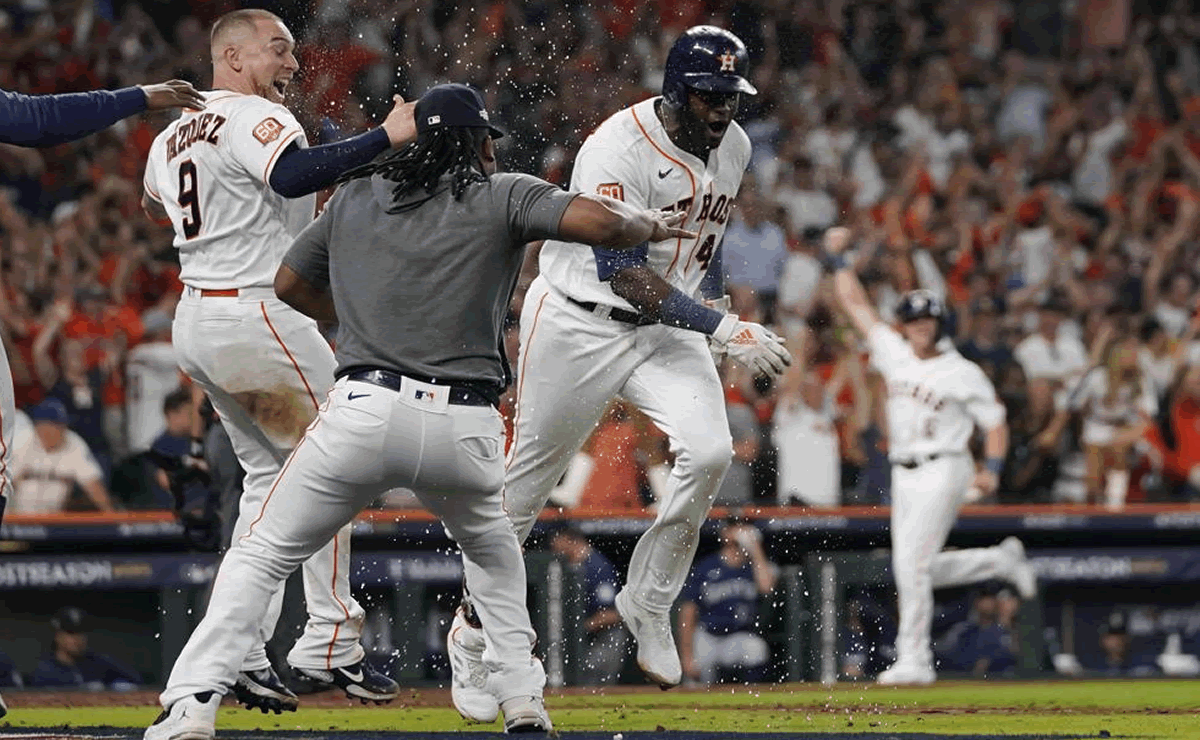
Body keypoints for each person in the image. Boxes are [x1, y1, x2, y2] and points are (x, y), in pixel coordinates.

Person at [143, 81, 694, 740]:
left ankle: (193, 705)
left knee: (264, 551)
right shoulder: (504, 193)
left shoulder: (356, 197)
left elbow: (289, 284)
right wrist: (649, 222)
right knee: (492, 555)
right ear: (478, 143)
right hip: (466, 426)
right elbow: (603, 223)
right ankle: (522, 701)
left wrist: (369, 320)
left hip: (366, 410)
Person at [449, 26, 792, 716]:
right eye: (708, 95)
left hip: (667, 327)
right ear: (675, 88)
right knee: (524, 492)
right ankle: (473, 635)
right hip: (579, 320)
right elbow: (622, 271)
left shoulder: (738, 146)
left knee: (710, 452)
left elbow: (694, 249)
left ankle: (649, 598)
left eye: (731, 94)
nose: (722, 109)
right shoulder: (616, 147)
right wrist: (724, 327)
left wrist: (709, 311)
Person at [140, 8, 417, 714]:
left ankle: (242, 652)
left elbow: (155, 211)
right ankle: (328, 643)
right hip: (259, 314)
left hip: (202, 317)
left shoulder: (172, 132)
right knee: (338, 462)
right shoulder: (255, 118)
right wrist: (383, 136)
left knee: (271, 479)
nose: (291, 64)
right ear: (230, 57)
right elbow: (292, 176)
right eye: (276, 50)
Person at [823, 226, 1037, 685]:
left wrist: (993, 470)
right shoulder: (894, 352)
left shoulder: (961, 371)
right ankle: (999, 562)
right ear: (904, 323)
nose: (920, 325)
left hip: (946, 465)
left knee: (912, 565)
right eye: (913, 319)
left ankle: (914, 659)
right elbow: (856, 304)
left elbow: (995, 422)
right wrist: (838, 258)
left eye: (928, 319)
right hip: (904, 471)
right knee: (915, 567)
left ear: (940, 323)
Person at [678, 518, 777, 685]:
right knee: (694, 681)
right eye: (732, 527)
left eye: (742, 526)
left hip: (738, 636)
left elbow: (767, 587)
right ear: (723, 533)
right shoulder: (706, 566)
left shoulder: (754, 565)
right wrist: (687, 655)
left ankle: (752, 703)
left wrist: (755, 548)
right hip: (708, 636)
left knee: (756, 650)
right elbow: (688, 612)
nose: (737, 531)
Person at [547, 524, 629, 685]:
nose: (554, 546)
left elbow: (612, 614)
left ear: (570, 540)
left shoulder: (597, 566)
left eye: (557, 540)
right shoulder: (570, 566)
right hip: (586, 639)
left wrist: (578, 630)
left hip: (604, 637)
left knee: (596, 685)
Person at [8, 399, 114, 514]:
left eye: (62, 426)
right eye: (56, 426)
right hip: (16, 520)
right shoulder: (22, 441)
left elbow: (93, 485)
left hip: (53, 520)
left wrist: (112, 515)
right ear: (40, 428)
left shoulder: (74, 444)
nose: (62, 430)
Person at [30, 607, 141, 690]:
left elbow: (138, 683)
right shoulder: (45, 672)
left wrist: (113, 688)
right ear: (57, 636)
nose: (77, 638)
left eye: (81, 632)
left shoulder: (99, 663)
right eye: (71, 633)